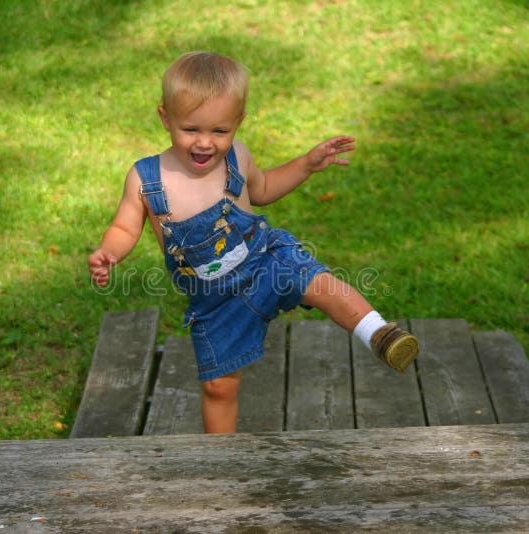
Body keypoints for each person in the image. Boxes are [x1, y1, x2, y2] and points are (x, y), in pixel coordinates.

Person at [89, 51, 419, 433]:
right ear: (165, 118)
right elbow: (126, 228)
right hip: (215, 301)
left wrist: (305, 165)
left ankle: (379, 334)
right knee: (218, 385)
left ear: (238, 123)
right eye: (191, 129)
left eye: (219, 131)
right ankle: (224, 456)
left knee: (321, 284)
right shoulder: (147, 178)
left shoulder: (239, 158)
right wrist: (109, 252)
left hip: (265, 262)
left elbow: (262, 189)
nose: (205, 143)